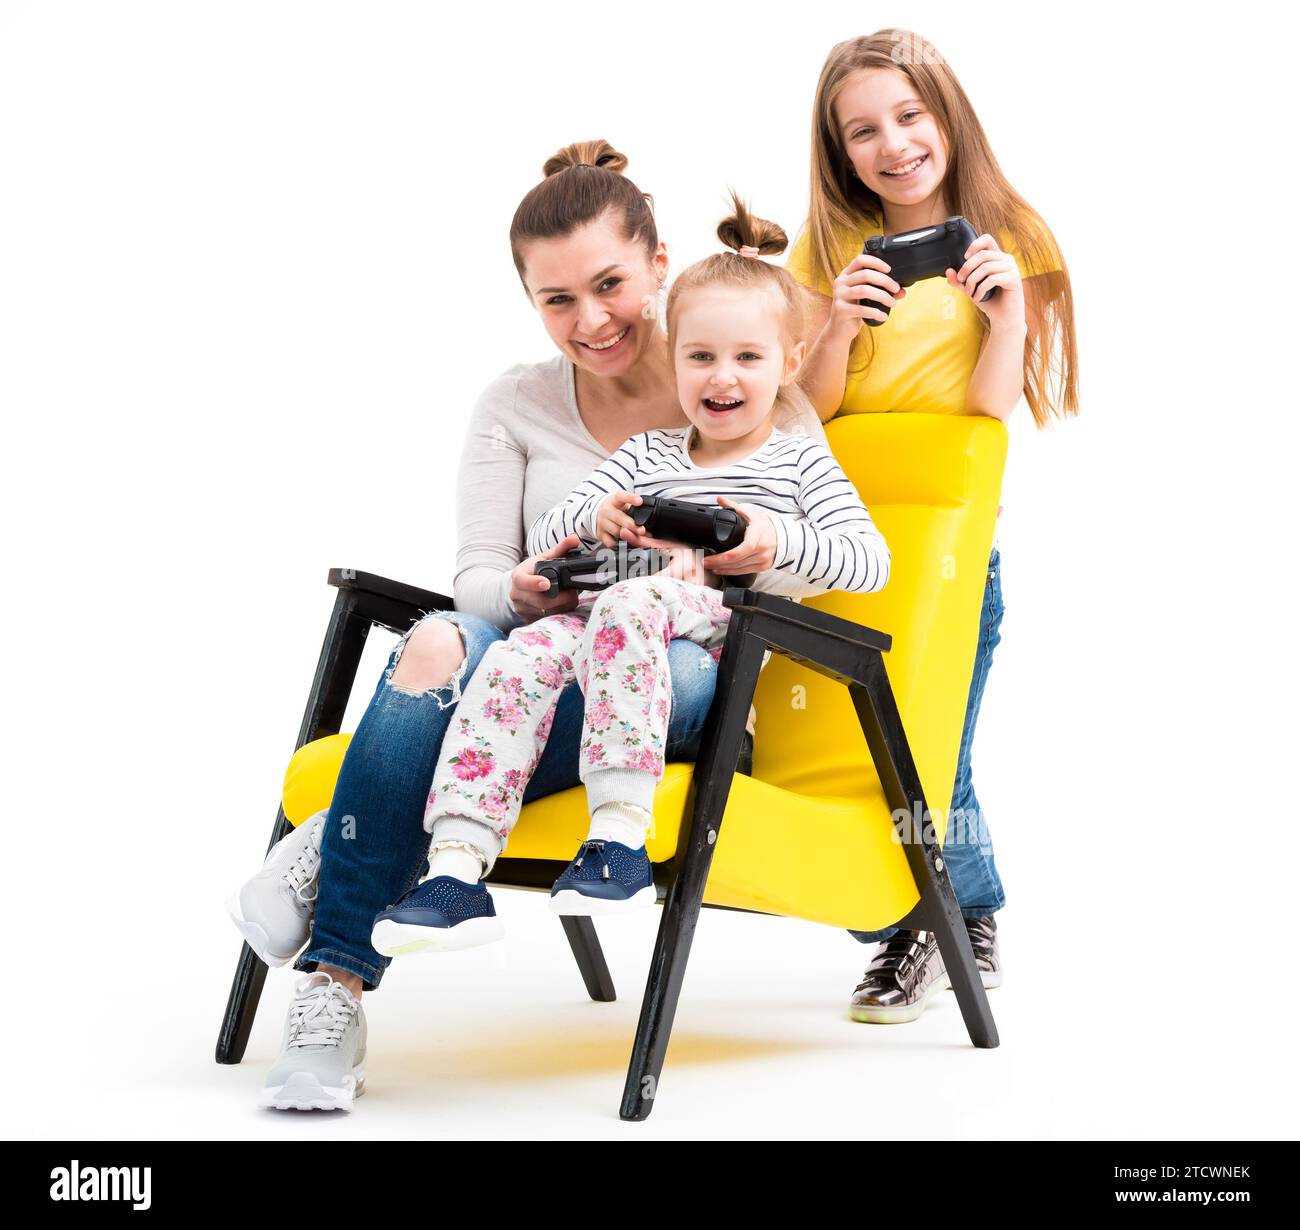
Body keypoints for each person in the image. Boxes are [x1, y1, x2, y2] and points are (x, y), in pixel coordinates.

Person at [229, 141, 827, 1112]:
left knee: (647, 659)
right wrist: (522, 587)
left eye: (610, 285)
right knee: (432, 640)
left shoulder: (735, 377)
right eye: (557, 300)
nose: (590, 321)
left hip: (672, 670)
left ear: (659, 263)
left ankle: (326, 875)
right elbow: (472, 582)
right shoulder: (514, 405)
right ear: (530, 304)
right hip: (532, 658)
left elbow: (807, 561)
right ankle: (331, 999)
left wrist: (731, 552)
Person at [369, 195, 889, 954]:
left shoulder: (796, 456)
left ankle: (618, 838)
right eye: (701, 356)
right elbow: (542, 542)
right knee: (518, 656)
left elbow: (869, 558)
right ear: (673, 355)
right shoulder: (646, 454)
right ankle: (454, 868)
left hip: (713, 639)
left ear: (791, 362)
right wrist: (593, 520)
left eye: (748, 357)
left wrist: (770, 540)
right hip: (597, 621)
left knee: (636, 601)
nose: (723, 378)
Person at [786, 29, 1080, 1024]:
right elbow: (809, 413)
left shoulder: (1014, 234)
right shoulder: (824, 251)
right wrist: (833, 324)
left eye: (909, 116)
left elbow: (989, 410)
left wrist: (1004, 319)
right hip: (830, 544)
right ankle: (971, 908)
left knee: (929, 747)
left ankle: (923, 927)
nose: (893, 144)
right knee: (859, 748)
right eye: (861, 130)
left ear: (945, 114)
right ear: (839, 150)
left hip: (947, 549)